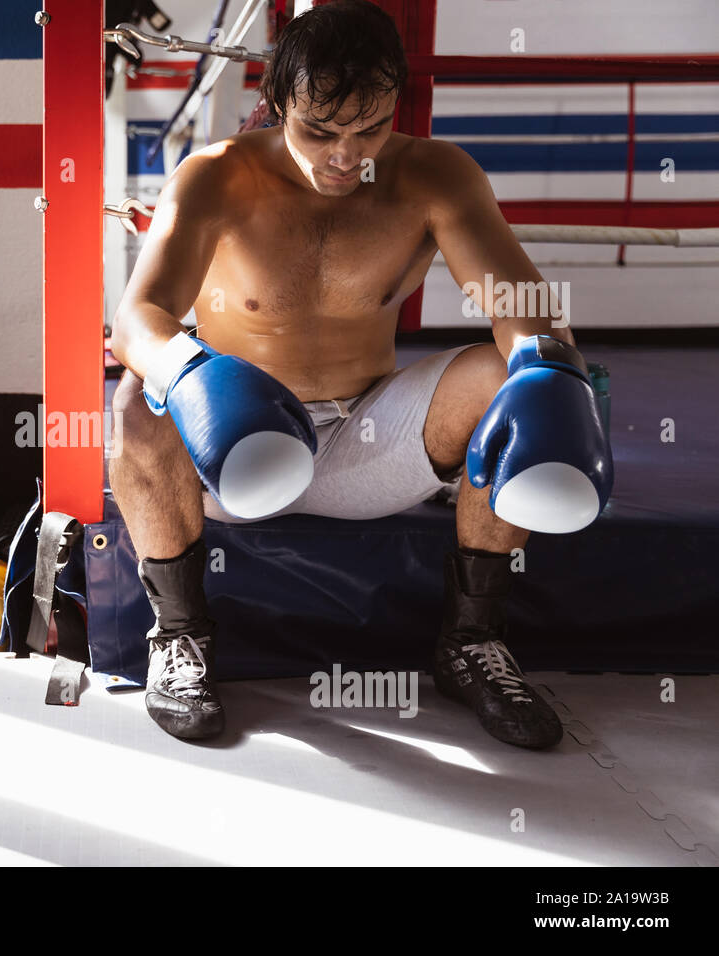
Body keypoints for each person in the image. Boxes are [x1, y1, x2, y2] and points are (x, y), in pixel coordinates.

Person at [108, 0, 612, 749]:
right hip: (234, 451)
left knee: (515, 372)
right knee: (138, 402)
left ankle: (472, 643)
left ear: (394, 109)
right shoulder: (216, 177)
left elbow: (520, 298)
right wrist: (188, 370)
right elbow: (137, 316)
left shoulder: (434, 175)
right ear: (277, 103)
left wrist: (548, 364)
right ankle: (180, 637)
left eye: (369, 129)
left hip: (369, 441)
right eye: (320, 130)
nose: (346, 155)